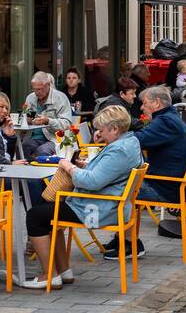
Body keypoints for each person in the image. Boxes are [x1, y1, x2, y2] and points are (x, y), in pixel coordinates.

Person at [22, 104, 144, 289]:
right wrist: (83, 166)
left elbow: (92, 182)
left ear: (115, 129)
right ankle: (63, 271)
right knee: (48, 214)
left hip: (97, 209)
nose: (99, 133)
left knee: (35, 216)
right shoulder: (130, 142)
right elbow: (106, 175)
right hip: (106, 204)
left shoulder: (118, 150)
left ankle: (49, 275)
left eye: (101, 130)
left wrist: (69, 167)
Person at [101, 85, 186, 261]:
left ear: (156, 103)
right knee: (125, 182)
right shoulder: (171, 118)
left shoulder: (164, 122)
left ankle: (130, 244)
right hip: (175, 185)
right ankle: (121, 237)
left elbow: (136, 141)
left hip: (167, 188)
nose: (142, 108)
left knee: (121, 187)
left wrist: (111, 136)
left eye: (144, 103)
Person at [23, 71, 73, 157]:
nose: (36, 92)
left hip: (54, 138)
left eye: (39, 89)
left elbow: (66, 124)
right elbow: (25, 118)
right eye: (34, 89)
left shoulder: (60, 98)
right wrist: (27, 120)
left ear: (48, 85)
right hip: (33, 137)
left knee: (42, 152)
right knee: (22, 148)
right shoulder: (30, 98)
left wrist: (48, 121)